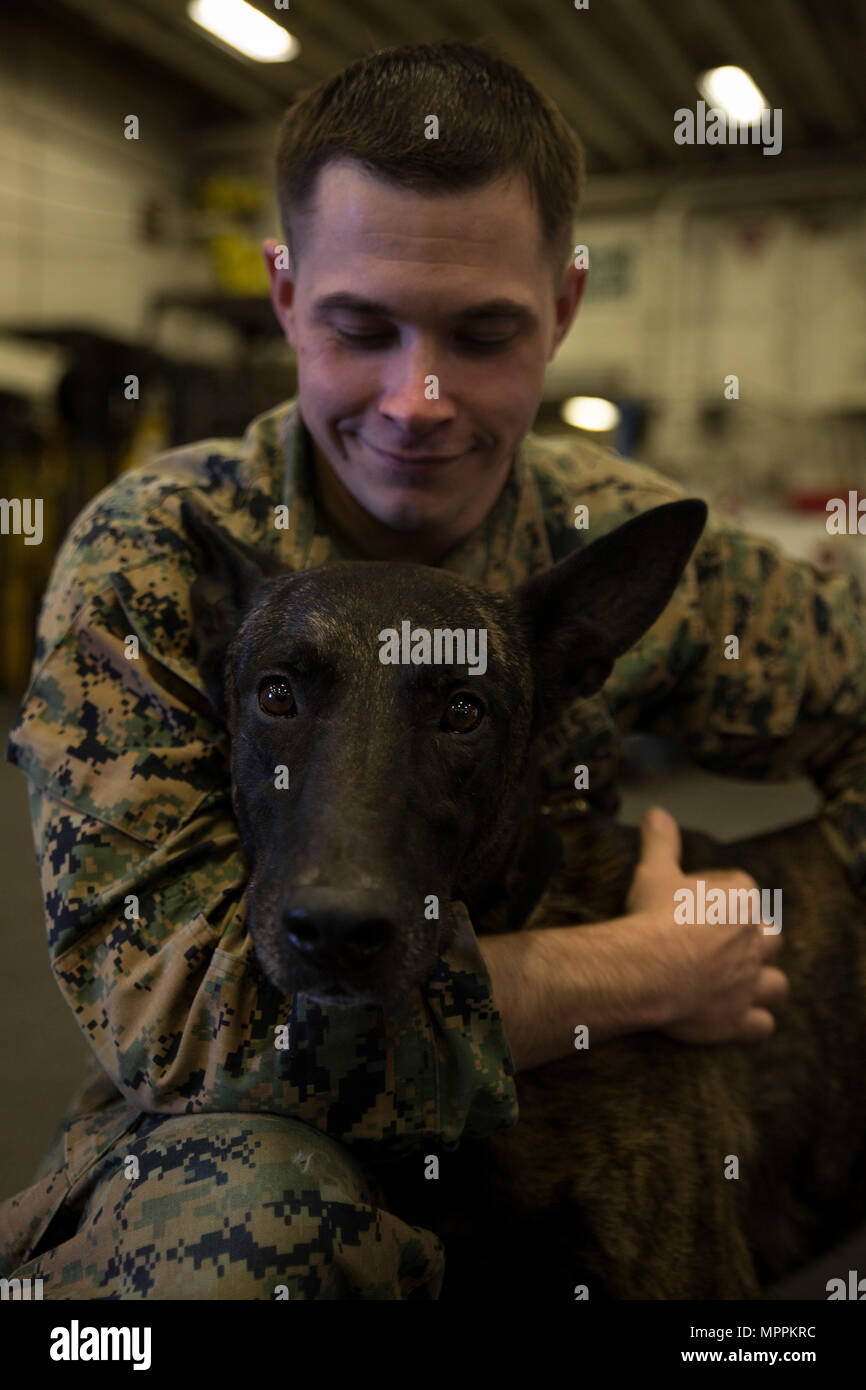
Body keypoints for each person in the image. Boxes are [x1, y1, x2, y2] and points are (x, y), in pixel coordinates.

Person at [1, 41, 864, 1300]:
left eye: (482, 331)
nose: (417, 399)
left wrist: (786, 921)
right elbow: (191, 1026)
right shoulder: (152, 553)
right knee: (241, 1242)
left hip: (555, 1090)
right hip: (243, 1118)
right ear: (285, 294)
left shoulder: (624, 541)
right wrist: (645, 967)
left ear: (561, 310)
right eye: (362, 326)